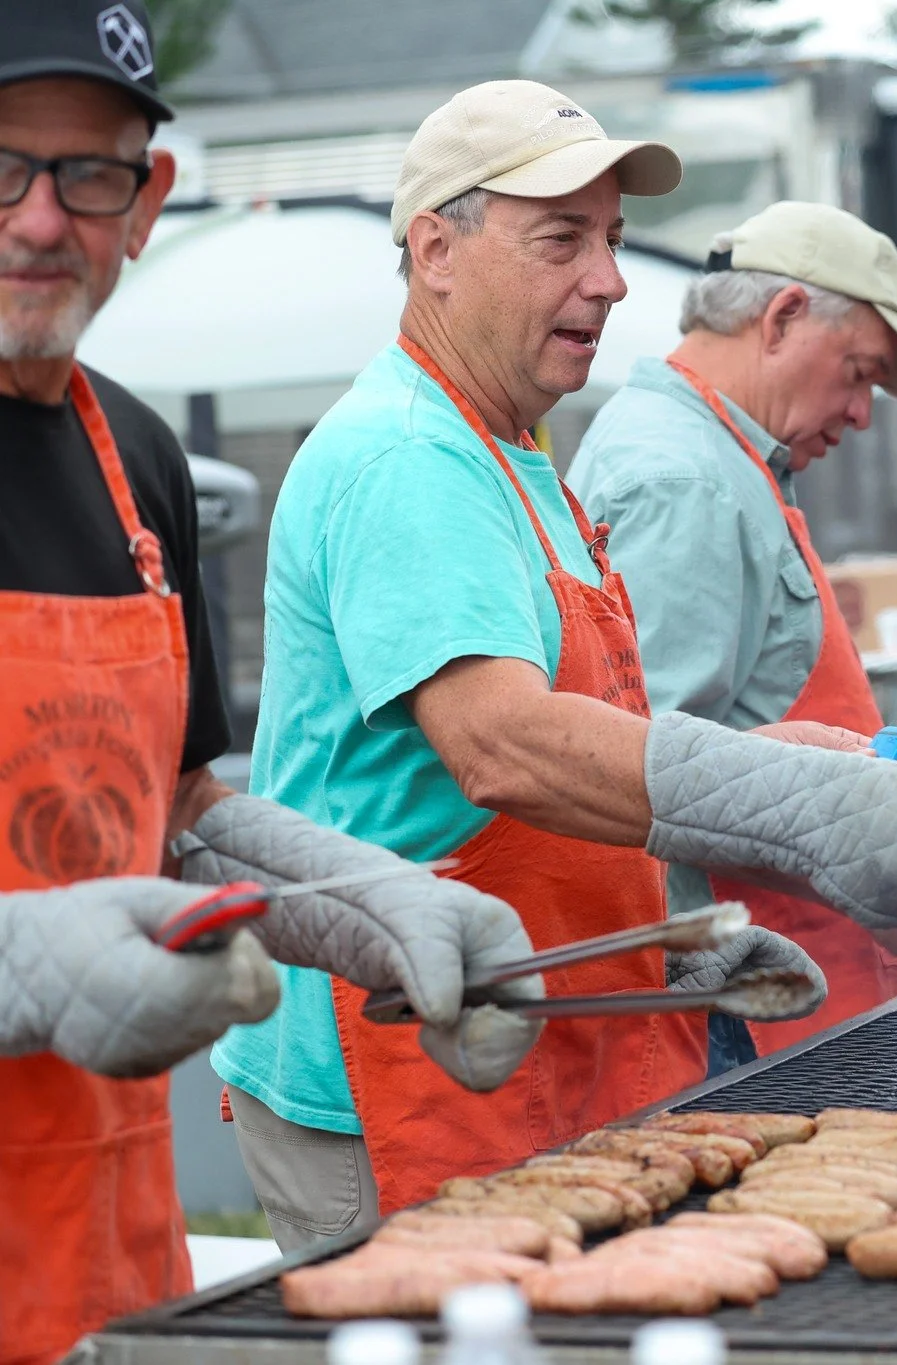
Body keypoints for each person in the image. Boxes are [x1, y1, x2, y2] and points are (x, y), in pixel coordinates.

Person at [210, 82, 897, 1247]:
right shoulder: (409, 457)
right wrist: (796, 808)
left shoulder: (514, 448)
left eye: (614, 241)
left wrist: (760, 813)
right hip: (410, 1056)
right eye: (561, 240)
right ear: (435, 249)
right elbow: (501, 745)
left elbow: (603, 724)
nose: (612, 281)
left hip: (548, 1037)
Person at [0, 8, 552, 1361]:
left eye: (90, 175)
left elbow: (182, 813)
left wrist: (371, 907)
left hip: (105, 1249)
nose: (37, 219)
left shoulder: (135, 458)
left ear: (148, 201)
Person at [568, 202, 897, 1057]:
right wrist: (878, 858)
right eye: (859, 373)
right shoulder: (684, 478)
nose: (861, 414)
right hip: (763, 1004)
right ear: (783, 319)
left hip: (808, 979)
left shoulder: (724, 455)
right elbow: (638, 780)